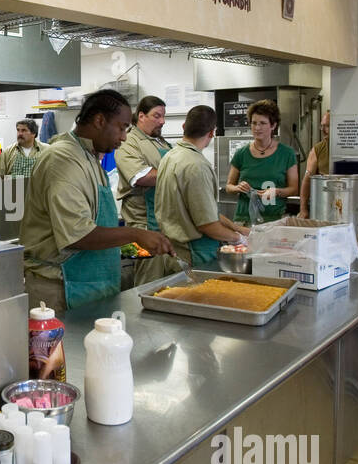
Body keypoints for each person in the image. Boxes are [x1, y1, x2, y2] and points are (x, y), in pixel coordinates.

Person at [19, 89, 175, 312]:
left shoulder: (89, 156)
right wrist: (137, 234)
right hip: (59, 289)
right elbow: (78, 234)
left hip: (87, 283)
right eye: (121, 128)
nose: (123, 137)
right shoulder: (63, 158)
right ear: (100, 120)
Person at [155, 105, 250, 266]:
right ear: (212, 133)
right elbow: (208, 225)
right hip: (193, 253)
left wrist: (238, 228)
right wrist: (239, 239)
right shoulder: (196, 165)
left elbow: (203, 211)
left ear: (184, 127)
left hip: (173, 250)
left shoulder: (170, 156)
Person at [114, 95, 176, 283]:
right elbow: (141, 176)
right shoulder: (129, 141)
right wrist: (178, 173)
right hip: (144, 225)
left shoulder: (162, 142)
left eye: (163, 116)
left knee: (169, 281)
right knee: (149, 281)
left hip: (166, 223)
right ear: (141, 116)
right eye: (157, 116)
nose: (162, 121)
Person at [225, 99, 299, 223]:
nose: (257, 128)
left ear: (273, 125)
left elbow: (293, 188)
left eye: (263, 123)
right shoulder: (241, 153)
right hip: (244, 219)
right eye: (254, 123)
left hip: (274, 220)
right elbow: (228, 187)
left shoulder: (286, 154)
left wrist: (277, 191)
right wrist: (238, 187)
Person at [298, 110, 331, 218]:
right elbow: (307, 179)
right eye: (322, 126)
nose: (323, 130)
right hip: (323, 204)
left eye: (327, 126)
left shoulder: (349, 148)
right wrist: (303, 209)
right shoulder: (318, 149)